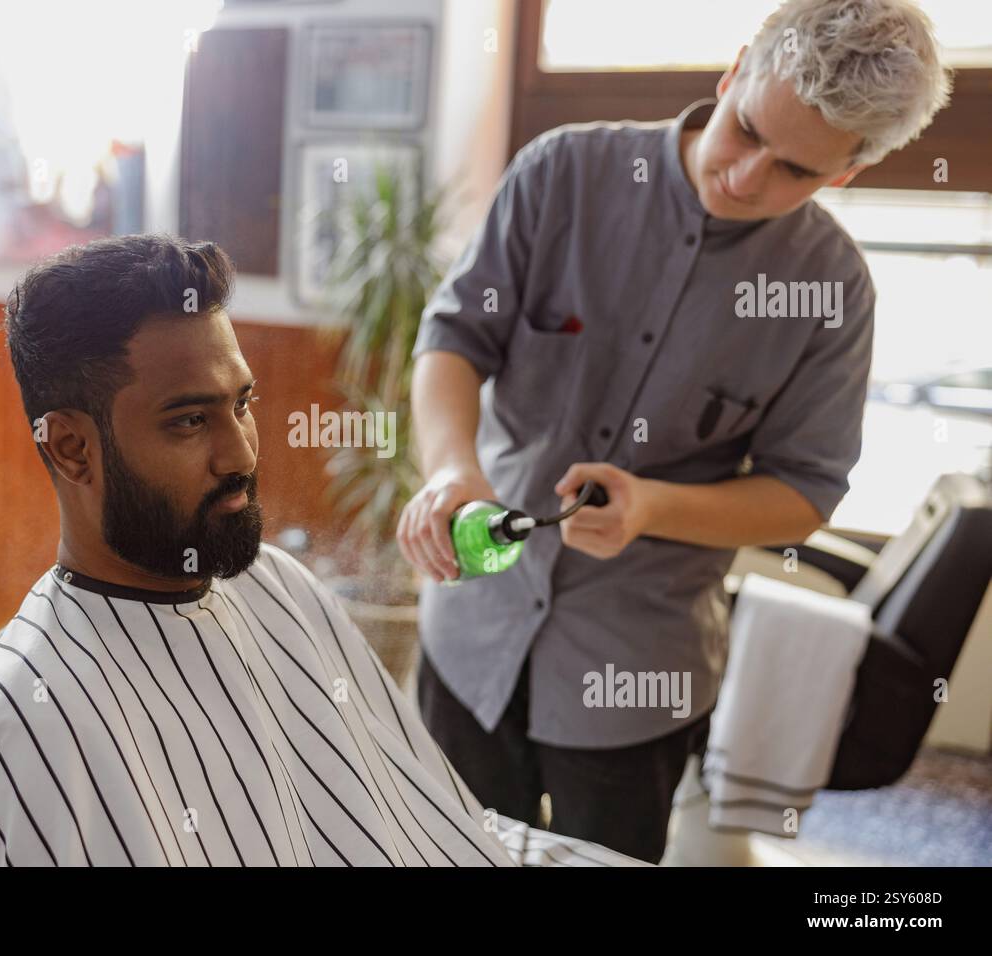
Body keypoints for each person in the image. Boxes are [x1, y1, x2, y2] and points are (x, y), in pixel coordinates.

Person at [0, 234, 634, 867]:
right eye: (189, 420)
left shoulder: (277, 586)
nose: (241, 451)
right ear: (71, 450)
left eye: (242, 403)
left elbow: (420, 818)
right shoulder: (27, 719)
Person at [398, 0, 951, 863]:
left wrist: (651, 506)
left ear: (845, 173)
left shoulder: (832, 292)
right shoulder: (564, 172)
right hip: (472, 633)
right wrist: (449, 472)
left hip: (635, 672)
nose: (746, 177)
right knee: (437, 851)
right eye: (745, 130)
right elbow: (454, 340)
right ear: (734, 72)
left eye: (795, 170)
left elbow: (803, 493)